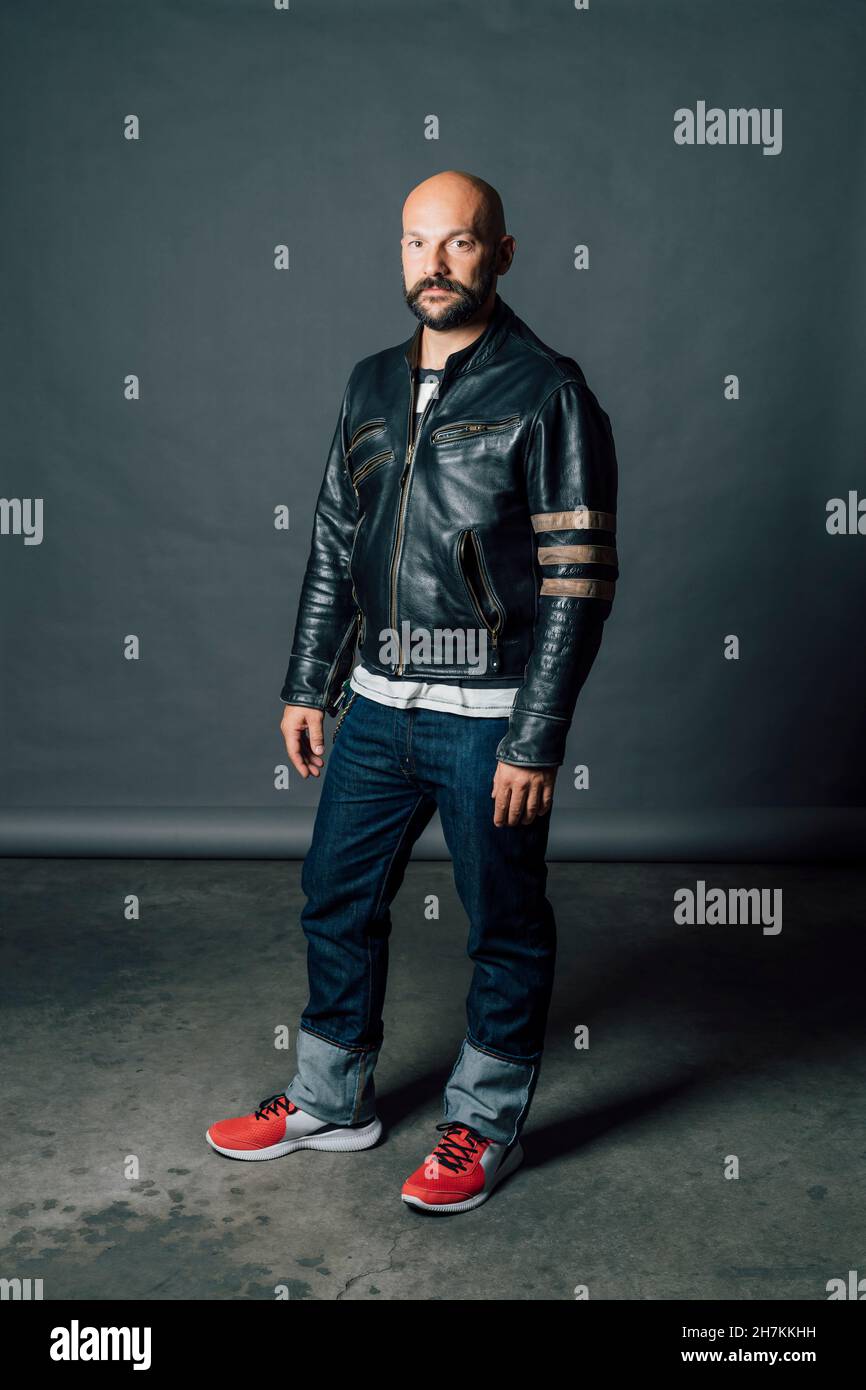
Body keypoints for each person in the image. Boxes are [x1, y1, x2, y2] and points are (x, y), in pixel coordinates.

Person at [207, 170, 619, 1214]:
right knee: (335, 898)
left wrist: (534, 734)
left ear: (502, 253)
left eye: (459, 244)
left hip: (488, 718)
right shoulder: (365, 385)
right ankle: (330, 1099)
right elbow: (332, 542)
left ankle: (481, 1126)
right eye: (414, 244)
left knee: (505, 923)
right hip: (378, 706)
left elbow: (577, 582)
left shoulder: (548, 392)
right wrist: (310, 681)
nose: (433, 266)